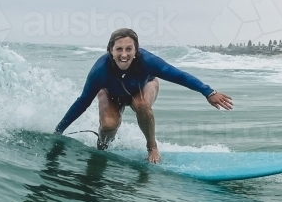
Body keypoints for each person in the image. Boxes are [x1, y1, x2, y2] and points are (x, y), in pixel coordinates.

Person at [54, 28, 233, 163]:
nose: (124, 54)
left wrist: (208, 92)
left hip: (142, 87)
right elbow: (83, 102)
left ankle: (152, 147)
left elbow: (179, 76)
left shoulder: (148, 61)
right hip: (110, 94)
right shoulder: (100, 70)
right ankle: (102, 146)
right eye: (119, 49)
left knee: (141, 105)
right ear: (110, 50)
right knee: (109, 125)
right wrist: (59, 130)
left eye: (129, 49)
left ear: (136, 49)